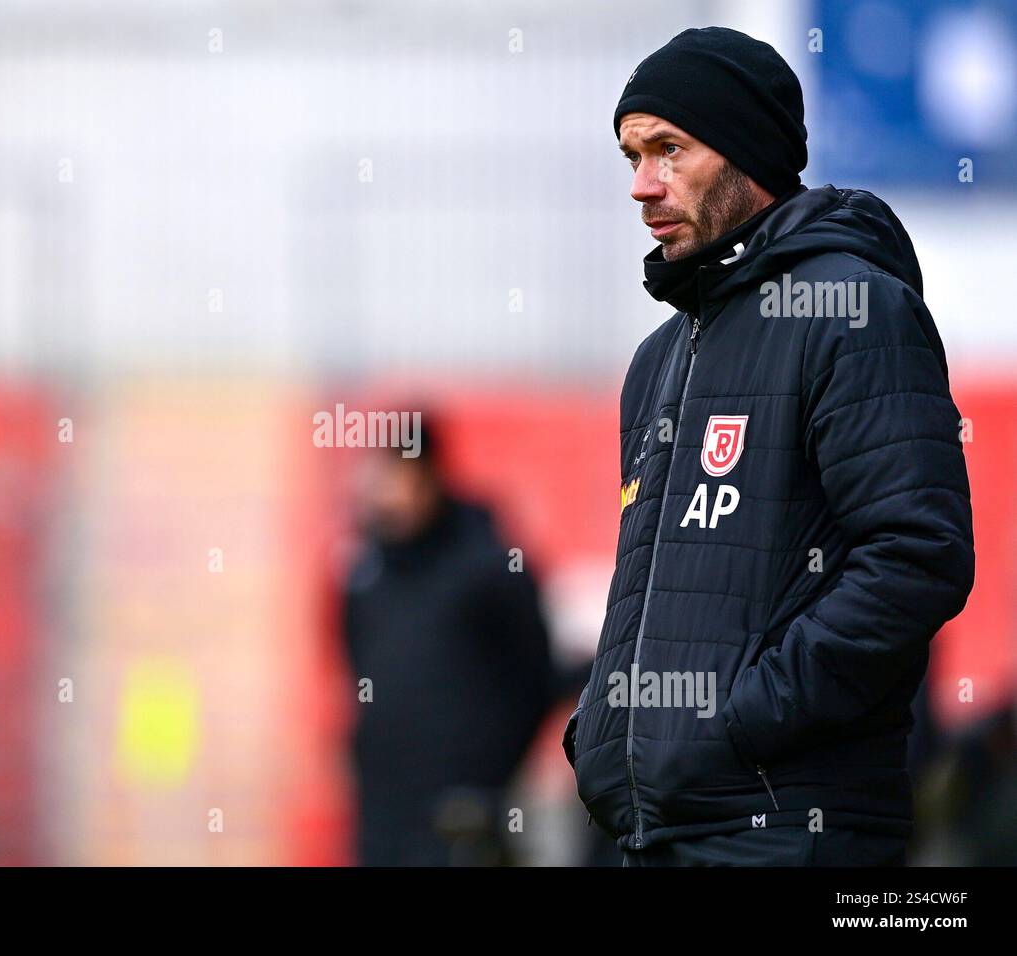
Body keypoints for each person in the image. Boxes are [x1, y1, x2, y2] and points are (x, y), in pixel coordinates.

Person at [562, 27, 974, 867]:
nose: (643, 185)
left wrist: (743, 714)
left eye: (669, 150)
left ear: (746, 152)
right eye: (632, 156)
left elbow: (916, 555)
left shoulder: (852, 310)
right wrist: (605, 726)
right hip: (659, 831)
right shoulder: (659, 358)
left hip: (786, 832)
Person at [341, 421, 555, 865]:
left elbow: (538, 679)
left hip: (464, 821)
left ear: (430, 477)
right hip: (382, 817)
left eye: (400, 475)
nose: (386, 491)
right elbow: (356, 666)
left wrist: (488, 779)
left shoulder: (492, 567)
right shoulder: (365, 573)